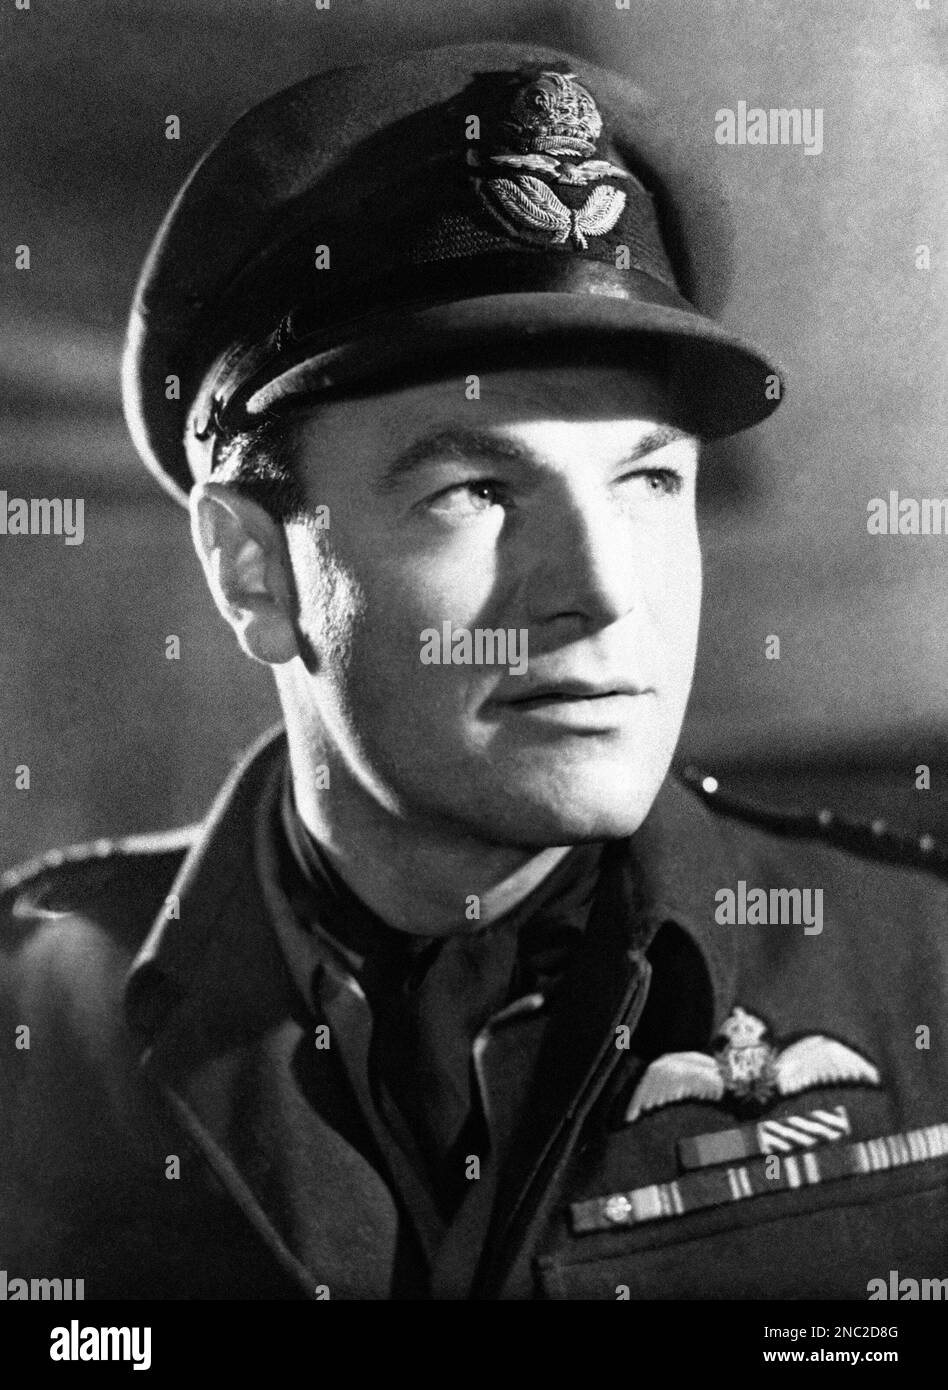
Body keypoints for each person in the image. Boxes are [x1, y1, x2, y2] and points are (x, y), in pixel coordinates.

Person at [2, 43, 946, 1302]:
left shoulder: (920, 965)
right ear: (253, 572)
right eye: (477, 490)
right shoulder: (36, 1028)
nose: (604, 588)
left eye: (649, 478)